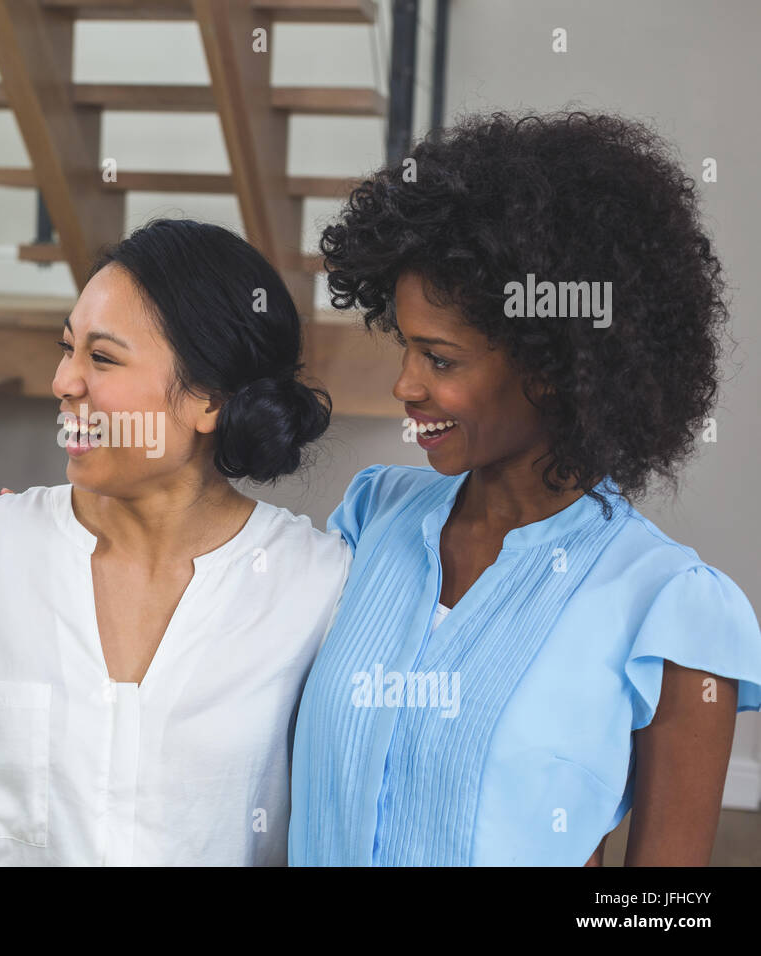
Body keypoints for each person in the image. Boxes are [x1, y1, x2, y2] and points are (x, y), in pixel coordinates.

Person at [289, 111, 761, 865]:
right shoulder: (371, 517)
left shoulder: (672, 612)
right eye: (404, 346)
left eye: (440, 359)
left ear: (556, 368)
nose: (405, 385)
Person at [0, 219, 351, 865]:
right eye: (68, 349)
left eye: (103, 358)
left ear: (210, 401)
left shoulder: (314, 586)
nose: (65, 381)